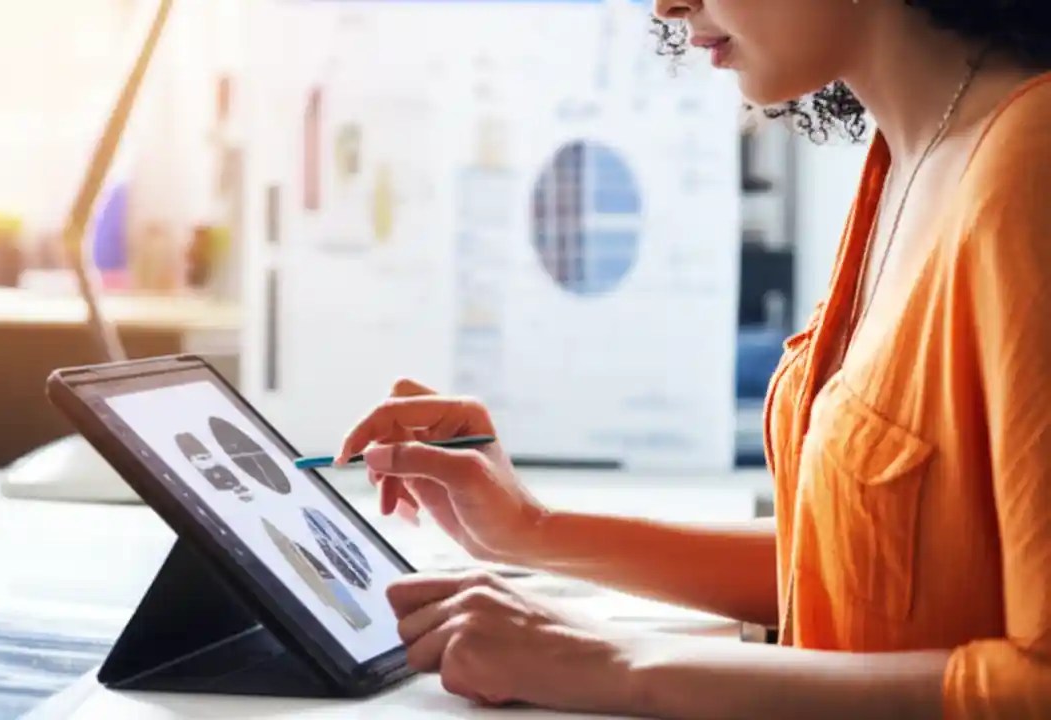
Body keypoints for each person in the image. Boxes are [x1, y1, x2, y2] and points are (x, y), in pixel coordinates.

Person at [335, 1, 1051, 717]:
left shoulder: (1030, 168)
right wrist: (533, 530)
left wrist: (614, 661)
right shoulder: (910, 156)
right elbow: (846, 570)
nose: (668, 4)